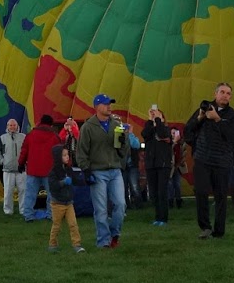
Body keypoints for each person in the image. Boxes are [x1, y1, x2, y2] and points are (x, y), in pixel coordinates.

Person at [75, 93, 130, 249]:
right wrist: (86, 170)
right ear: (97, 107)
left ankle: (115, 233)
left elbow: (122, 151)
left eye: (110, 104)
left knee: (120, 204)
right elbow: (81, 152)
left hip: (115, 170)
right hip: (97, 171)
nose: (109, 106)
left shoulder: (116, 125)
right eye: (106, 104)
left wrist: (123, 140)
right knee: (101, 209)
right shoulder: (88, 127)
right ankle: (103, 241)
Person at [184, 85, 234, 237]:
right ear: (215, 93)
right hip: (202, 159)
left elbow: (231, 136)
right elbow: (188, 130)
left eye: (228, 93)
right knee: (200, 192)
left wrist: (218, 119)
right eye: (222, 92)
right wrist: (200, 118)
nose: (225, 96)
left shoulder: (233, 115)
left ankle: (219, 231)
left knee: (221, 196)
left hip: (222, 161)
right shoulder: (204, 109)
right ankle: (205, 227)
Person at [19, 114, 59, 222]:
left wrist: (20, 164)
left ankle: (28, 215)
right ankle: (51, 215)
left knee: (30, 194)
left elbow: (24, 151)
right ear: (50, 124)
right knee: (51, 195)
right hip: (49, 170)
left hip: (33, 169)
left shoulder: (31, 135)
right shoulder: (54, 137)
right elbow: (59, 153)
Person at [47, 140, 85, 253]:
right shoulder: (53, 172)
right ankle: (52, 244)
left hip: (69, 203)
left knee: (73, 224)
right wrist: (63, 182)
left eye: (67, 154)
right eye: (64, 155)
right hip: (57, 203)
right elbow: (53, 186)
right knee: (57, 225)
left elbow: (76, 180)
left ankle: (76, 244)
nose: (67, 157)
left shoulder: (68, 169)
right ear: (58, 157)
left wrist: (86, 180)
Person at [141, 105, 174, 226]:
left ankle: (163, 218)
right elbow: (144, 133)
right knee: (154, 193)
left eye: (157, 114)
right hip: (151, 164)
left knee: (162, 192)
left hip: (163, 164)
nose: (155, 116)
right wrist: (150, 120)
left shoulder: (166, 130)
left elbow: (162, 134)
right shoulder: (150, 129)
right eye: (153, 114)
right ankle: (157, 217)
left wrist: (158, 120)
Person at [0, 119, 25, 218]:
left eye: (14, 125)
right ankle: (8, 210)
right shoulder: (3, 138)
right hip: (8, 170)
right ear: (7, 126)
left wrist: (26, 161)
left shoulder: (23, 137)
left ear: (17, 126)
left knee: (23, 190)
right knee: (8, 191)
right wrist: (1, 161)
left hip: (21, 169)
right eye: (10, 125)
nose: (12, 127)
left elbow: (27, 150)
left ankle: (23, 209)